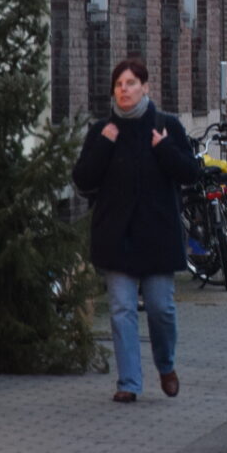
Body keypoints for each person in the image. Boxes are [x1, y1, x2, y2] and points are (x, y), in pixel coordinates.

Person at [73, 57, 201, 402]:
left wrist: (164, 148)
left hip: (157, 235)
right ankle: (129, 383)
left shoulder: (166, 126)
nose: (124, 90)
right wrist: (105, 144)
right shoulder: (103, 130)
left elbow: (190, 173)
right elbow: (83, 179)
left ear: (145, 87)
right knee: (122, 311)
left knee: (161, 309)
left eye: (130, 83)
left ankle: (166, 365)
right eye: (119, 84)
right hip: (116, 237)